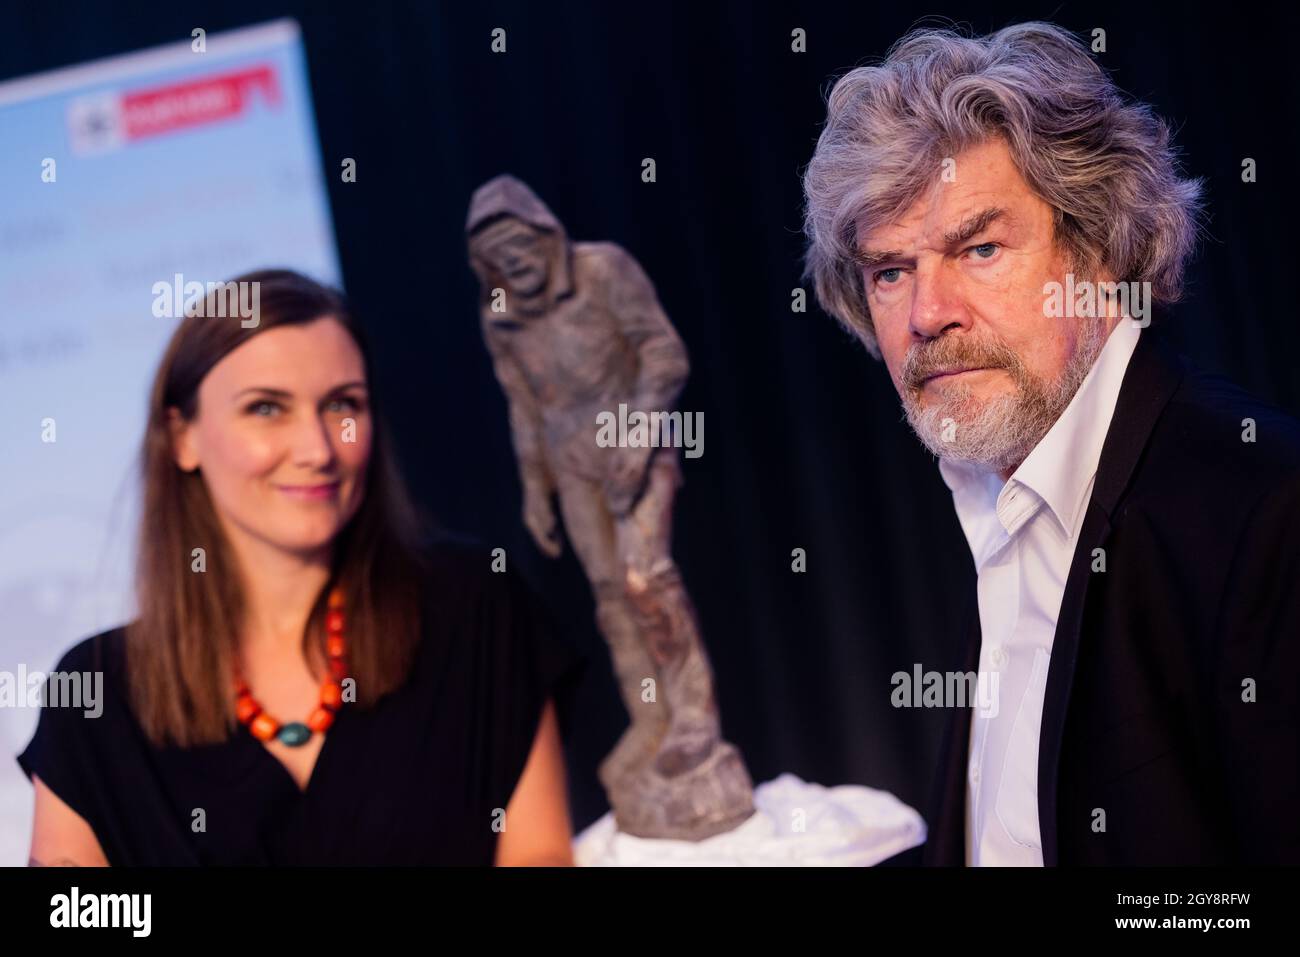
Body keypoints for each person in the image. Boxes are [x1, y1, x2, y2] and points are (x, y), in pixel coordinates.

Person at [803, 22, 1300, 864]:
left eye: (981, 247)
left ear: (1100, 251)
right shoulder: (1003, 493)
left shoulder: (1264, 514)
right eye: (892, 271)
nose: (928, 313)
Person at [17, 269, 585, 865]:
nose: (317, 449)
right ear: (182, 437)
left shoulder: (473, 609)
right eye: (266, 408)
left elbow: (539, 856)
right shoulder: (95, 696)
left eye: (343, 405)